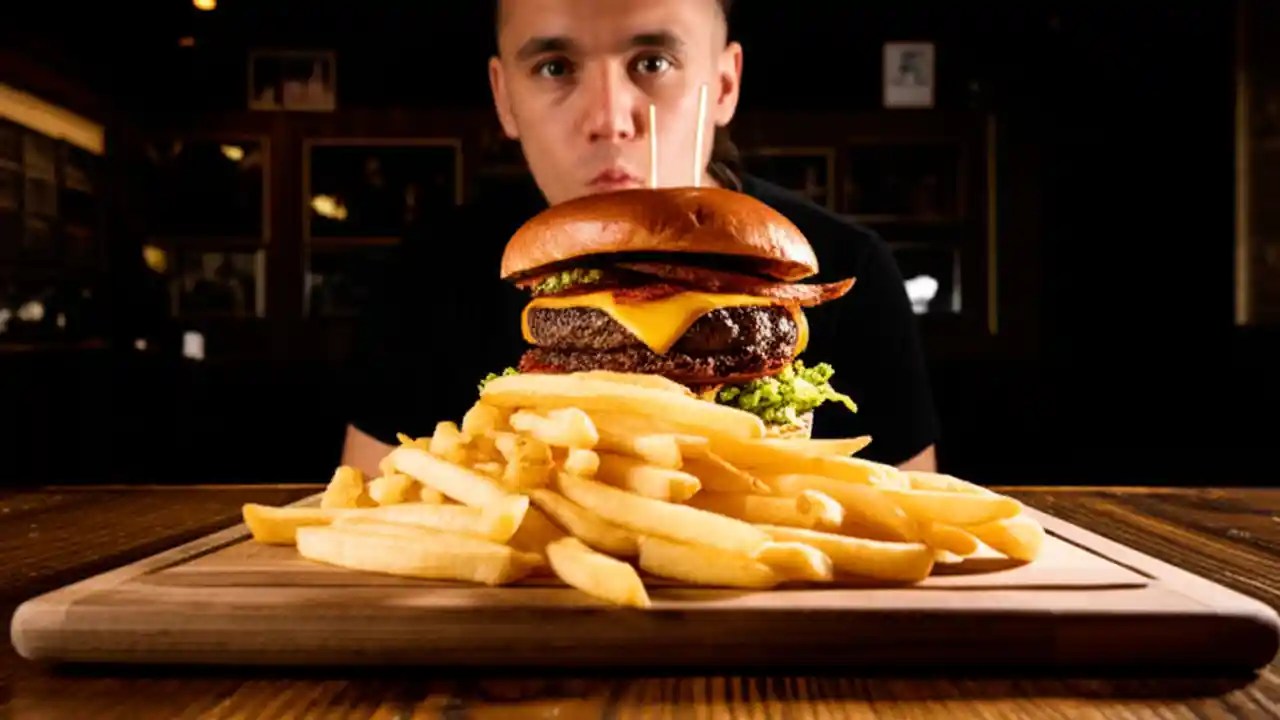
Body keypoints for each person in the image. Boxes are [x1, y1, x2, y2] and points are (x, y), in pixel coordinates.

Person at [341, 0, 939, 476]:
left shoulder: (848, 266)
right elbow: (365, 522)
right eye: (555, 67)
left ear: (725, 84)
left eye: (653, 62)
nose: (609, 117)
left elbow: (920, 543)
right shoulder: (427, 273)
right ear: (504, 97)